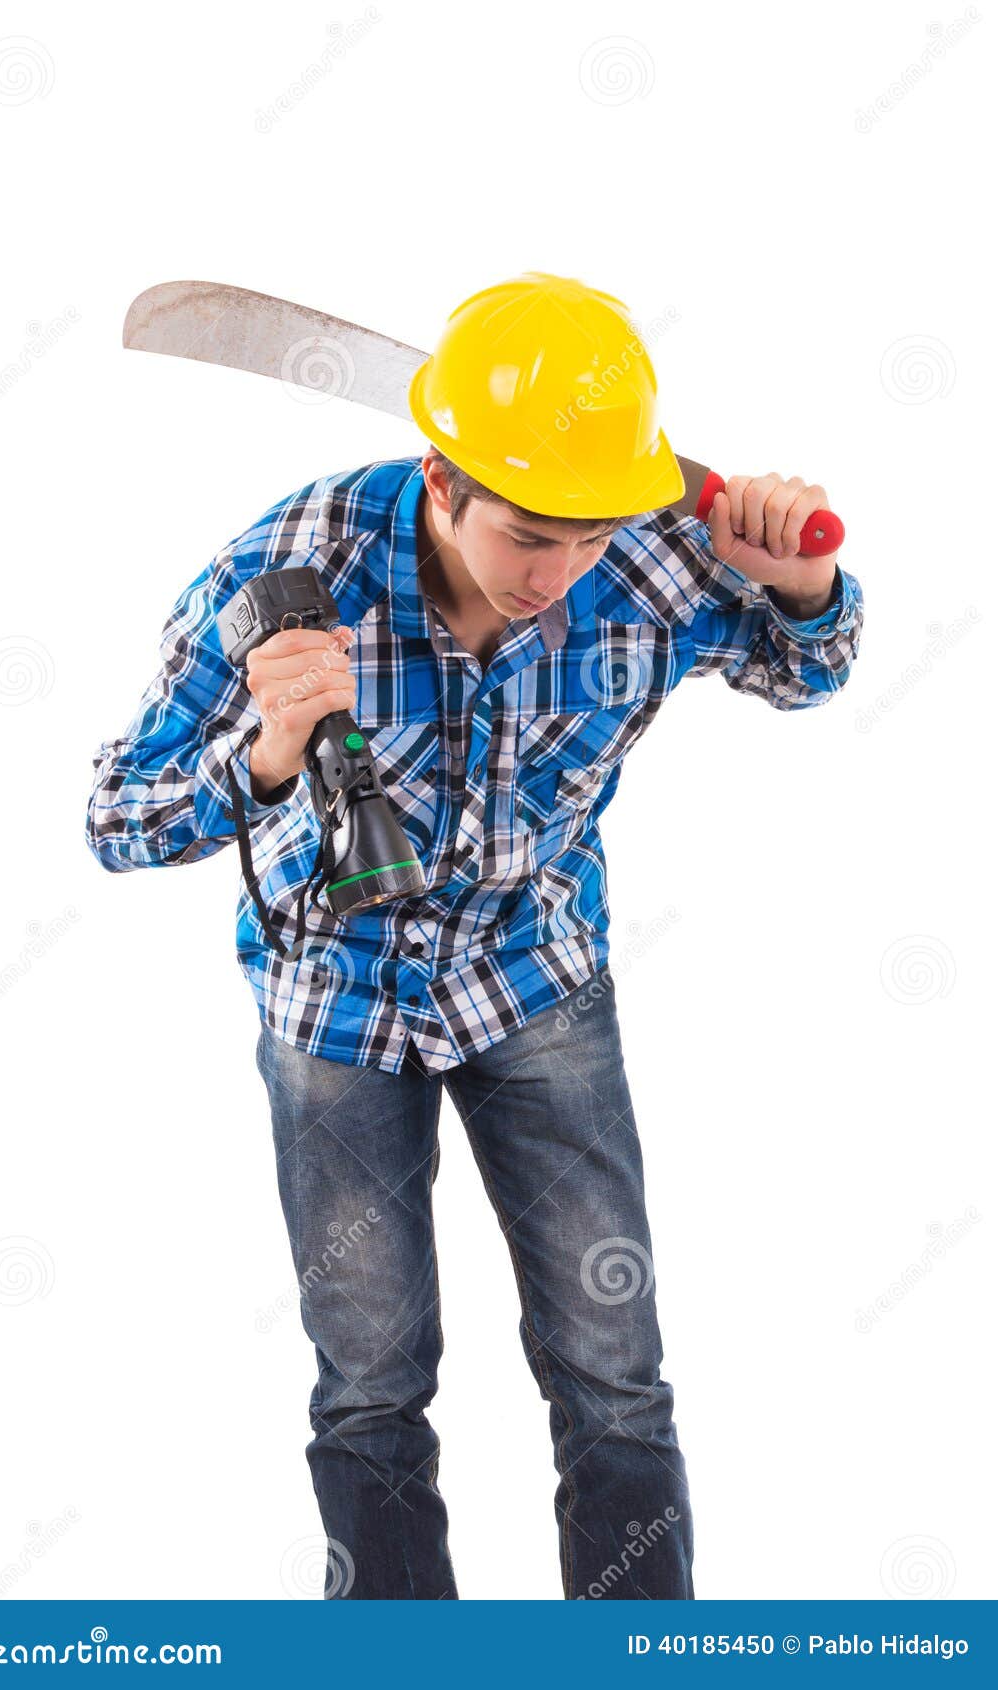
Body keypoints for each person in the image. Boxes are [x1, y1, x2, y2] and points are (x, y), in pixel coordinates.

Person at [86, 273, 865, 1600]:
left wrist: (806, 584)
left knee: (613, 1366)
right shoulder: (289, 566)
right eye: (530, 537)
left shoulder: (657, 554)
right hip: (335, 1007)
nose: (561, 577)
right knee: (372, 1378)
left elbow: (807, 669)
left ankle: (639, 1660)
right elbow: (117, 816)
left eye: (589, 536)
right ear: (444, 482)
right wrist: (268, 755)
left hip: (537, 985)